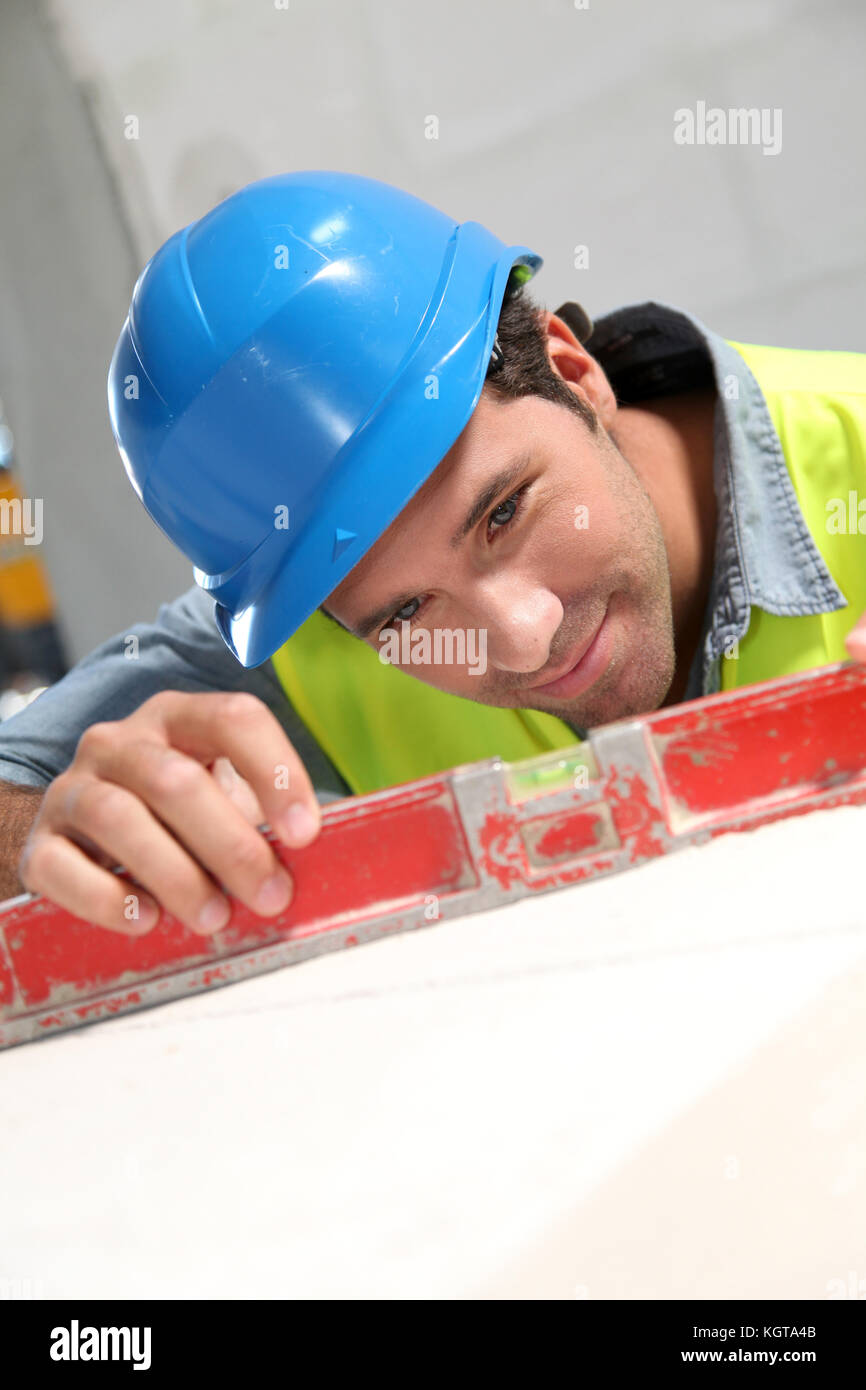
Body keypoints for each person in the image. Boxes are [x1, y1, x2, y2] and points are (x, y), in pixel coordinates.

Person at [1, 171, 864, 931]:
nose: (525, 638)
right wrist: (59, 831)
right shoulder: (308, 644)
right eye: (406, 612)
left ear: (571, 369)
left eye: (504, 513)